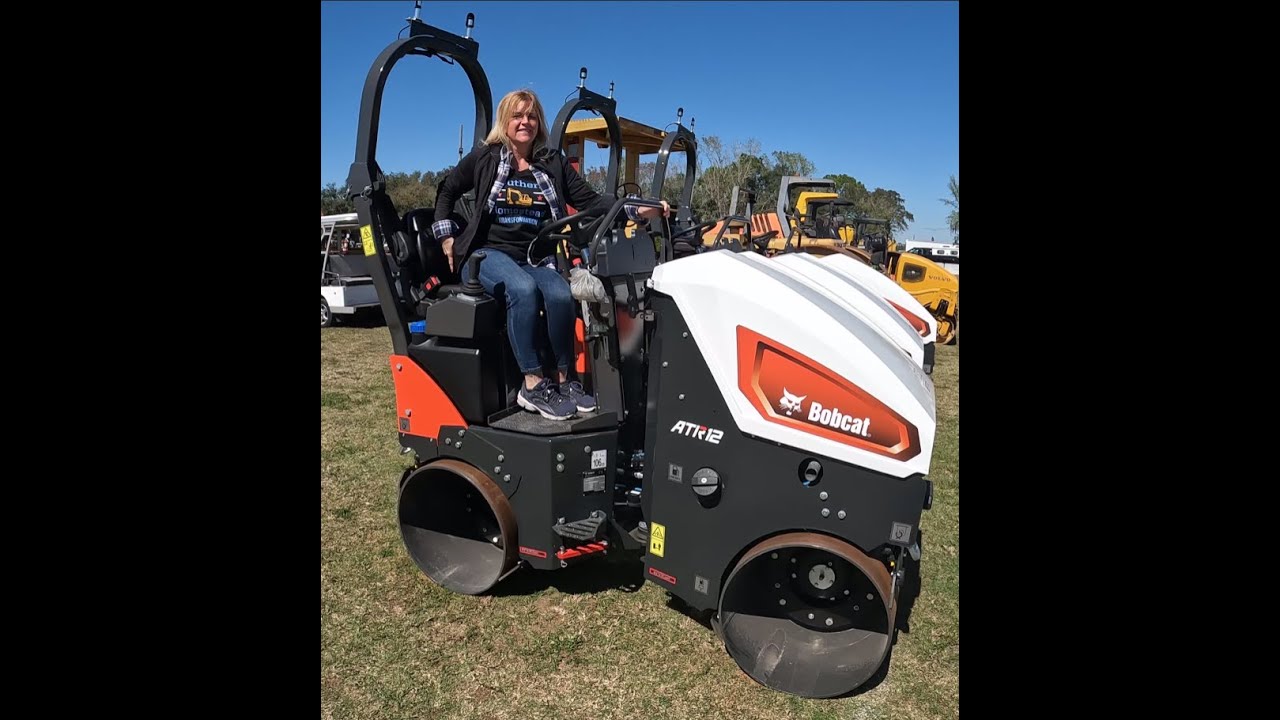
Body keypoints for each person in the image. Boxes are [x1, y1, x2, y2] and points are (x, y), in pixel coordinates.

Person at [433, 88, 669, 421]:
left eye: (530, 115)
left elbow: (590, 201)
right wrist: (446, 237)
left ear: (538, 122)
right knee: (522, 290)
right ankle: (532, 383)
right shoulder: (485, 157)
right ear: (505, 120)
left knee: (560, 293)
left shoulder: (551, 162)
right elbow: (447, 189)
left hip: (532, 256)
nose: (524, 121)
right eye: (517, 115)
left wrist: (634, 209)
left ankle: (564, 381)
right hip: (488, 255)